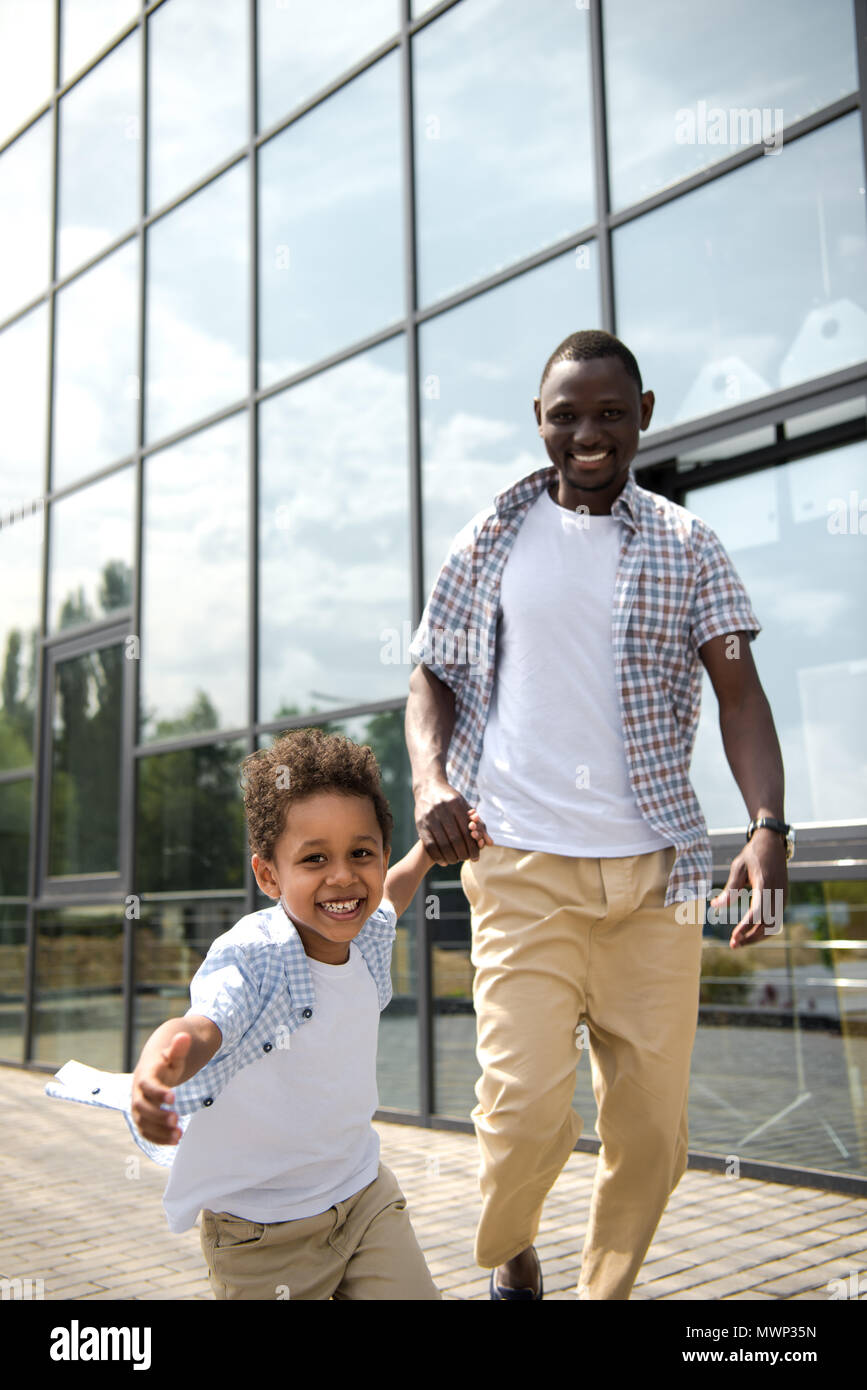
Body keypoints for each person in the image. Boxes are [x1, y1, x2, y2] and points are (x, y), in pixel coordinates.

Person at [405, 329, 791, 1301]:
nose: (589, 432)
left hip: (656, 881)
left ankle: (604, 1293)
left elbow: (740, 695)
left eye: (610, 413)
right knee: (527, 1107)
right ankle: (512, 1248)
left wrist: (768, 824)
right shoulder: (490, 536)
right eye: (567, 414)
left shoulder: (689, 544)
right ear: (539, 422)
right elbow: (431, 678)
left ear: (644, 416)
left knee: (655, 1133)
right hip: (523, 869)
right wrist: (428, 784)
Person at [47, 726, 490, 1301]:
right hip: (261, 1234)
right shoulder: (255, 957)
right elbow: (202, 1024)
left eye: (362, 852)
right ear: (268, 875)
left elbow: (394, 893)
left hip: (362, 1196)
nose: (342, 876)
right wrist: (160, 1065)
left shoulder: (368, 935)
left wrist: (429, 850)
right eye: (314, 858)